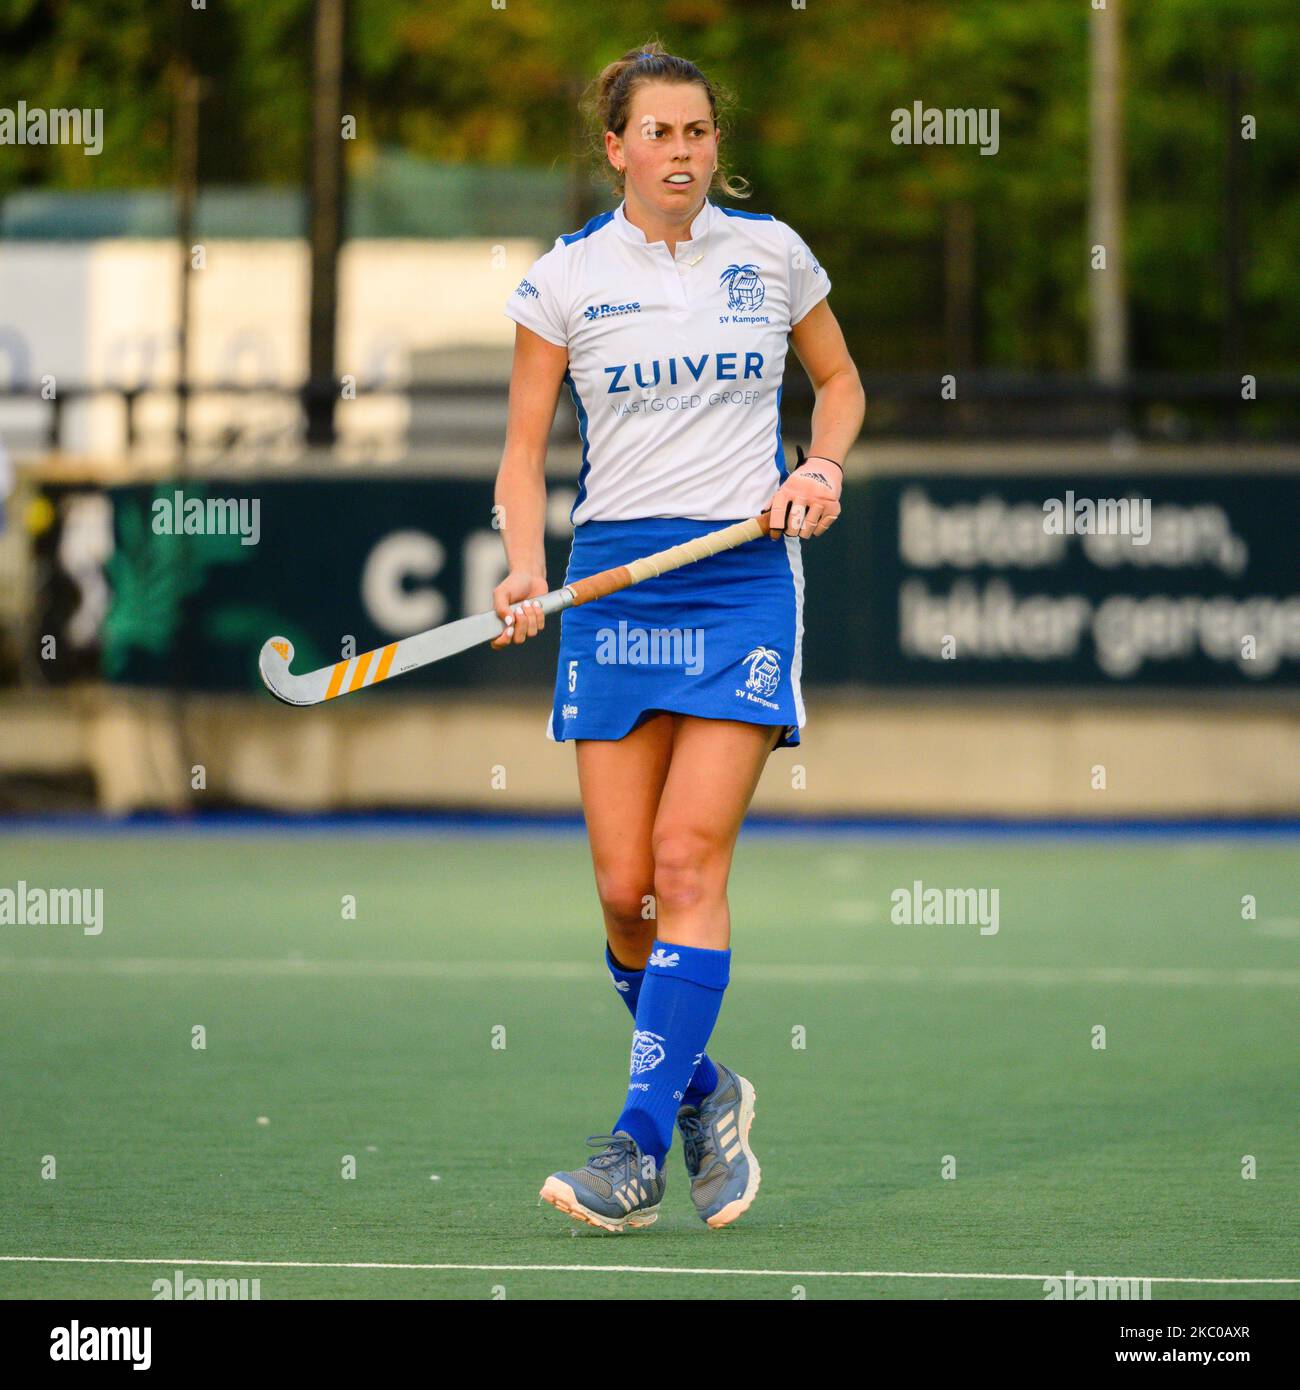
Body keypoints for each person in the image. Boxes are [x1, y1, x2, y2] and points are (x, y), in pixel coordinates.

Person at [492, 40, 864, 1232]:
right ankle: (706, 1089)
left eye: (697, 132)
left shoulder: (772, 253)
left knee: (687, 864)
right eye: (657, 132)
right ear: (615, 147)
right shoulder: (564, 280)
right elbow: (521, 450)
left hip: (741, 579)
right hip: (611, 586)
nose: (681, 152)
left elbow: (841, 380)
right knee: (622, 894)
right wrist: (519, 568)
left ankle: (636, 1148)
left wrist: (819, 463)